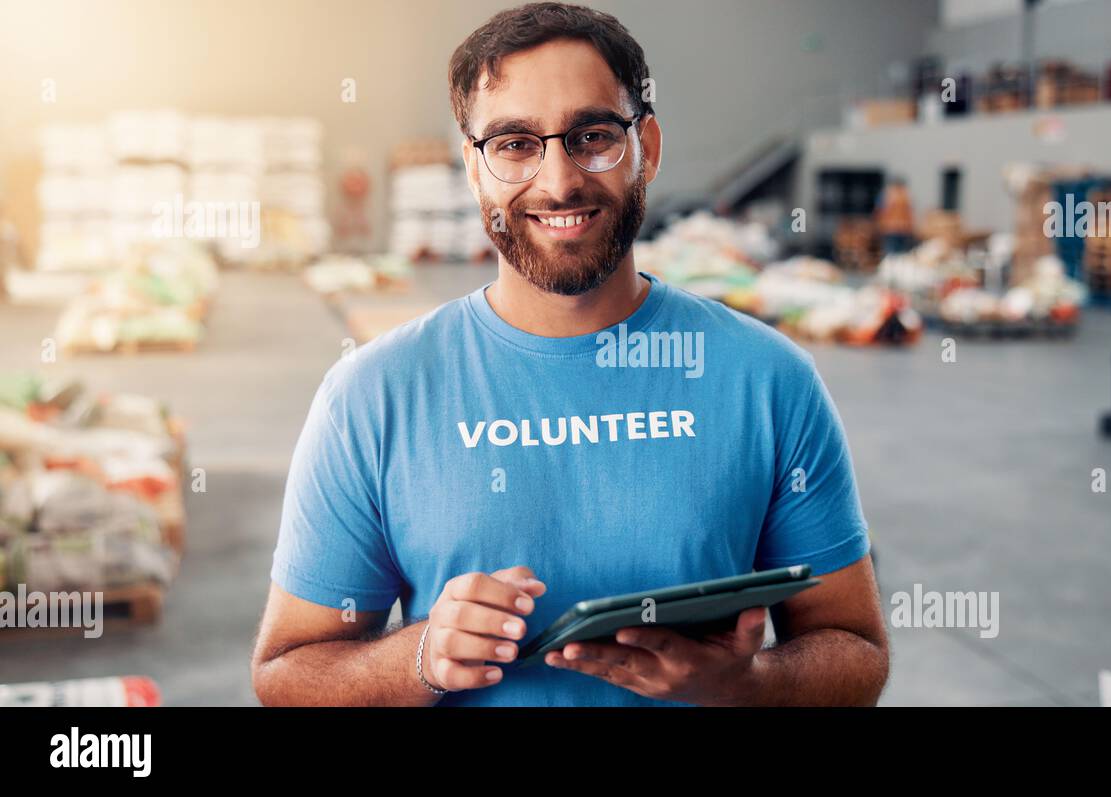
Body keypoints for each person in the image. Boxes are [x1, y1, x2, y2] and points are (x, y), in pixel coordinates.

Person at [251, 1, 888, 707]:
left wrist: (742, 683)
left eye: (591, 136)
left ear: (647, 143)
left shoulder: (770, 381)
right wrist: (421, 657)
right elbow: (285, 677)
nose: (558, 182)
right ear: (473, 166)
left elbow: (856, 652)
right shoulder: (373, 396)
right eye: (516, 144)